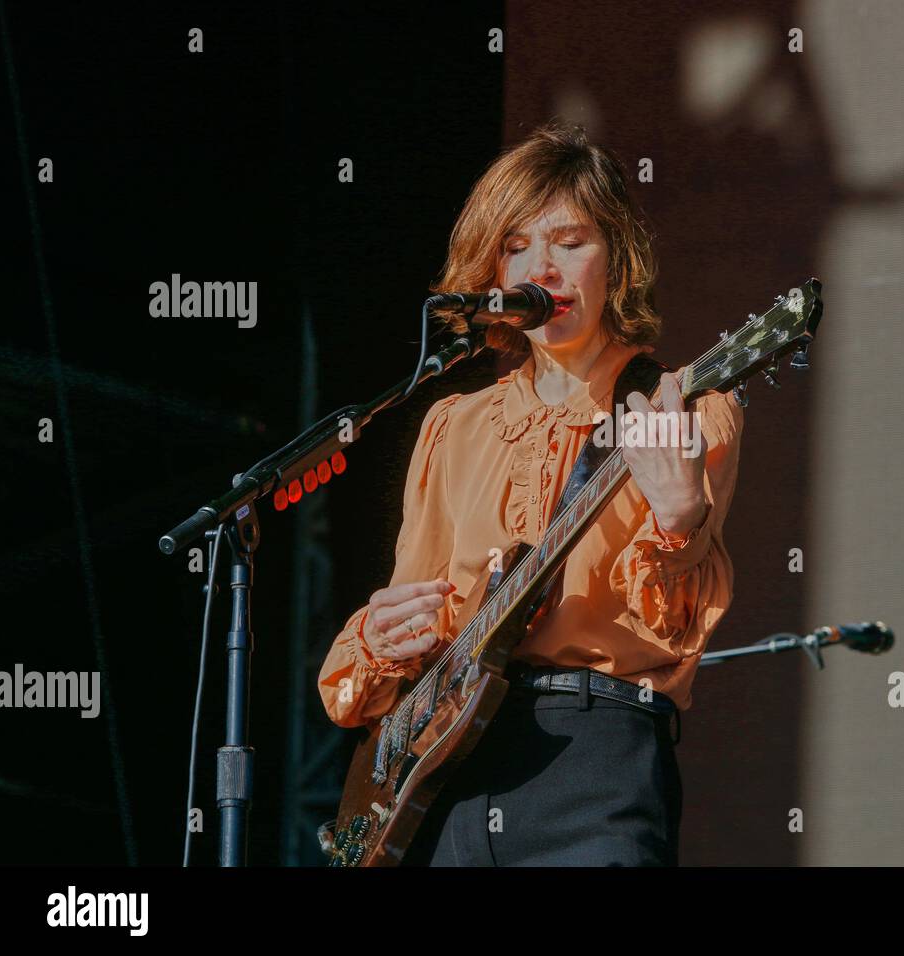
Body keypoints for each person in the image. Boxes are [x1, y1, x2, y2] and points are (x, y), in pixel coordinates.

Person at [317, 123, 742, 866]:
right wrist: (384, 640)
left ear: (618, 258)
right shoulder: (454, 425)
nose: (541, 266)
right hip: (448, 770)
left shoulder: (681, 409)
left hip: (591, 760)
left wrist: (679, 520)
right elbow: (417, 598)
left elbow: (673, 630)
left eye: (570, 241)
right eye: (516, 246)